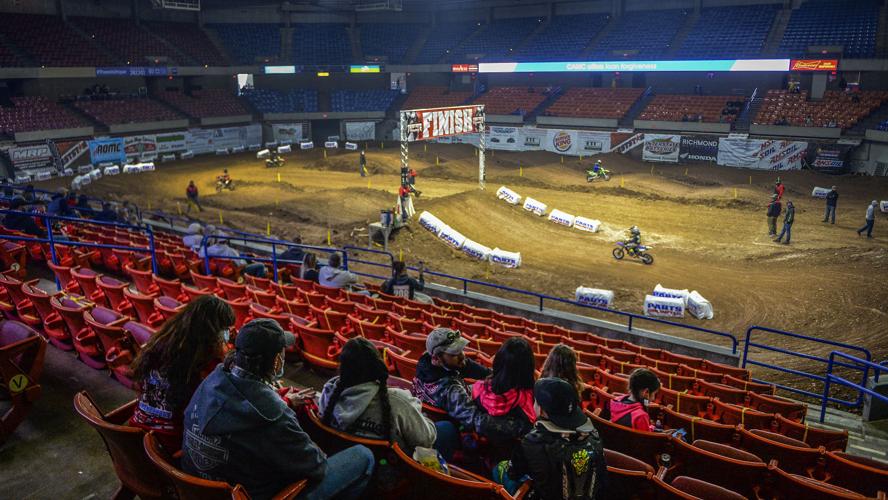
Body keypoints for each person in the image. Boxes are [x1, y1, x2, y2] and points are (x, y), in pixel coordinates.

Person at [181, 319, 374, 500]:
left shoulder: (210, 382)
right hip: (259, 493)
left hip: (200, 488)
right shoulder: (275, 417)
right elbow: (317, 467)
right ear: (276, 362)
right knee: (363, 456)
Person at [129, 295, 235, 451]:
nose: (227, 335)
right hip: (170, 442)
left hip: (137, 428)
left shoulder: (160, 343)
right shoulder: (203, 364)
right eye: (225, 330)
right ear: (213, 333)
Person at [493, 378, 606, 499]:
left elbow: (513, 473)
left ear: (541, 410)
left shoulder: (531, 442)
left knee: (499, 468)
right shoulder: (593, 434)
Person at [318, 337, 436, 450]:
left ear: (343, 367)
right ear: (377, 365)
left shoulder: (328, 392)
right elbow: (425, 440)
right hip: (391, 462)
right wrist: (422, 416)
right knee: (444, 427)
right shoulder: (398, 401)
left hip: (341, 454)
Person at [413, 327, 492, 461]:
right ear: (437, 358)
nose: (462, 356)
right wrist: (516, 426)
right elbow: (479, 423)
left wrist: (492, 375)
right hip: (459, 430)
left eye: (461, 350)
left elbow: (468, 366)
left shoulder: (427, 363)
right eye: (454, 353)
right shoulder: (450, 389)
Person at [472, 337, 536, 446]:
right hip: (512, 454)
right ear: (528, 369)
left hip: (478, 449)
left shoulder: (477, 389)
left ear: (497, 361)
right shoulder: (529, 402)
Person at [200, 232, 267, 278]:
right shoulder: (230, 251)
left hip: (220, 272)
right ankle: (257, 284)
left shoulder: (210, 249)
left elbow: (201, 254)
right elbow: (239, 264)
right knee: (260, 265)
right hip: (236, 272)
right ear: (226, 241)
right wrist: (245, 263)